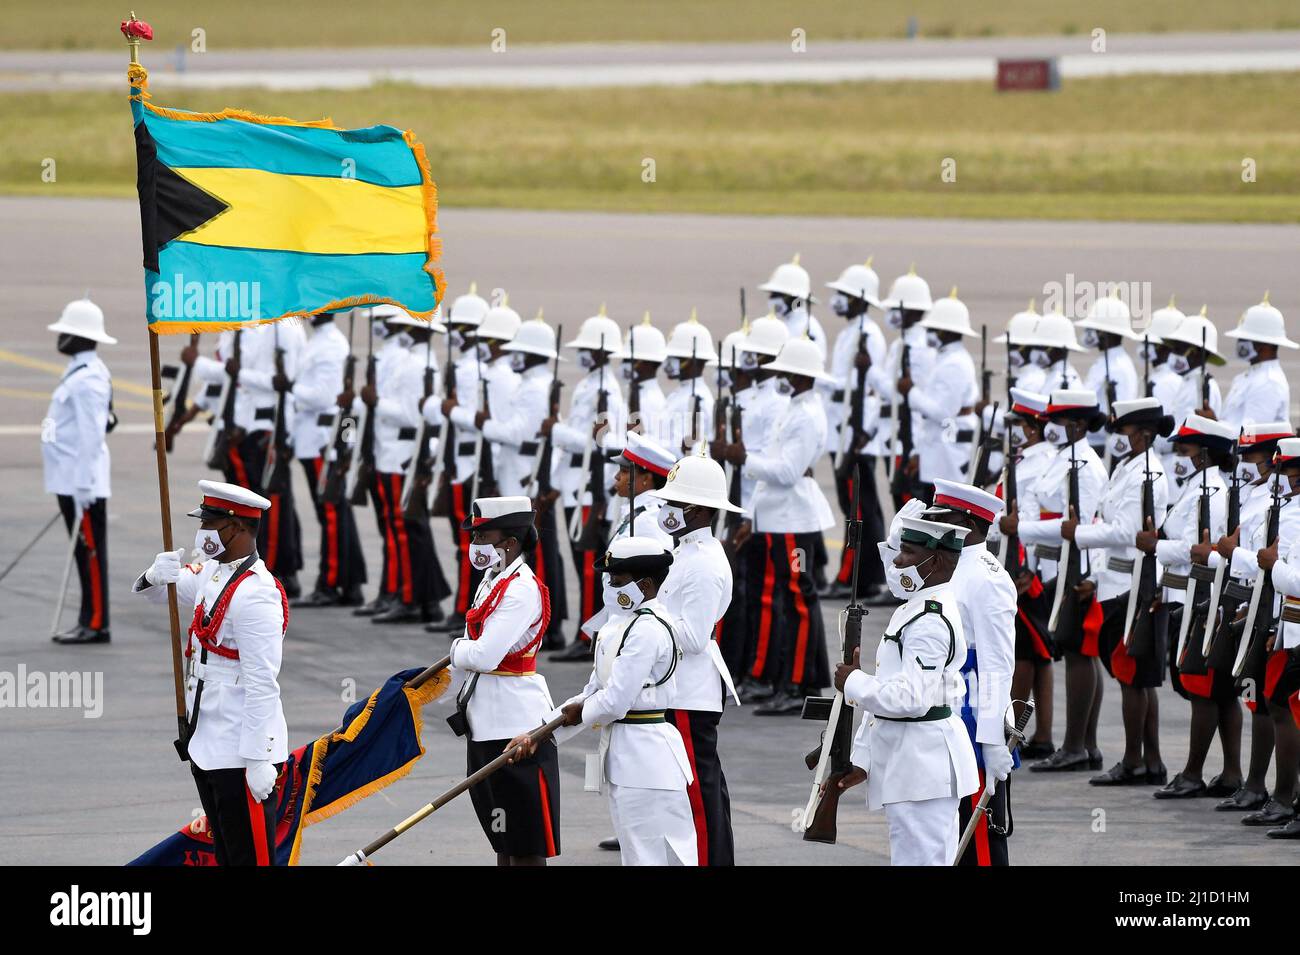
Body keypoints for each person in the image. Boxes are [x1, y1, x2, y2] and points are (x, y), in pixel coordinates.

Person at [512, 537, 697, 866]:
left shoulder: (648, 630)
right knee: (636, 852)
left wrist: (574, 715)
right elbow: (592, 690)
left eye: (619, 581)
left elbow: (613, 702)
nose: (610, 588)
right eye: (609, 580)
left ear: (647, 584)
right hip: (626, 753)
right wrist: (540, 732)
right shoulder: (621, 625)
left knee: (652, 855)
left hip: (648, 756)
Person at [134, 481, 287, 865]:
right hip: (206, 739)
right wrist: (156, 574)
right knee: (226, 853)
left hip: (239, 747)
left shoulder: (257, 594)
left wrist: (259, 757)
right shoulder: (212, 574)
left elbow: (262, 682)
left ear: (235, 528)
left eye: (211, 522)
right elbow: (161, 594)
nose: (202, 531)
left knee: (249, 858)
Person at [834, 515, 981, 866]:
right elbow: (892, 683)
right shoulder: (916, 607)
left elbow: (909, 699)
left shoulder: (931, 620)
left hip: (923, 767)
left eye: (909, 553)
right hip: (910, 763)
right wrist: (864, 758)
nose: (898, 560)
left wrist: (853, 682)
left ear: (939, 561)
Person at [714, 337, 835, 714]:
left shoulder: (807, 415)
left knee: (798, 601)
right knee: (785, 600)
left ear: (798, 376)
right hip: (778, 516)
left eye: (785, 371)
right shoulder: (794, 408)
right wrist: (752, 512)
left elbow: (785, 471)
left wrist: (742, 457)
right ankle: (785, 679)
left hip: (794, 520)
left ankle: (797, 685)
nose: (778, 376)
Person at [1068, 397, 1173, 785]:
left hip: (1134, 586)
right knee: (1134, 677)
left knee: (1134, 677)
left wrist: (1078, 535)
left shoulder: (1149, 475)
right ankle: (1152, 761)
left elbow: (1126, 532)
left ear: (1144, 435)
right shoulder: (1128, 468)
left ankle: (1135, 760)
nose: (1118, 440)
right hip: (1114, 582)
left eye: (1124, 432)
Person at [450, 496, 559, 865]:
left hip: (517, 724)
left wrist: (455, 649)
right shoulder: (492, 580)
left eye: (483, 537)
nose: (475, 546)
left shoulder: (520, 589)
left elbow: (484, 655)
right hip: (485, 722)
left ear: (509, 543)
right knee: (504, 839)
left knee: (526, 843)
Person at [648, 452, 745, 865]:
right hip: (677, 688)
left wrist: (646, 623)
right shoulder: (686, 552)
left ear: (701, 510)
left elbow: (691, 637)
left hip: (689, 691)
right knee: (688, 788)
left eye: (676, 503)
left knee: (698, 795)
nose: (666, 510)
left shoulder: (704, 563)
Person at [1005, 390, 1108, 772]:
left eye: (1059, 422)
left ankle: (1077, 746)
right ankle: (1081, 745)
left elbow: (1084, 525)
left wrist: (1024, 529)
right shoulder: (1066, 459)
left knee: (1080, 653)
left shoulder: (1085, 466)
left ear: (1078, 425)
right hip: (1053, 565)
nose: (1050, 429)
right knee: (1073, 652)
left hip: (1076, 567)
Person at [923, 480, 1018, 866]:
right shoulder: (947, 563)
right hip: (945, 707)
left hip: (975, 714)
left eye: (942, 517)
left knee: (977, 840)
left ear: (967, 523)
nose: (934, 524)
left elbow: (998, 664)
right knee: (948, 831)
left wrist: (993, 739)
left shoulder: (988, 577)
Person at [1148, 414, 1237, 799]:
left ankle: (1193, 772)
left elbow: (1202, 550)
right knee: (1214, 691)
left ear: (1203, 454)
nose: (1177, 457)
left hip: (1203, 600)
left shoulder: (1212, 494)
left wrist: (1157, 547)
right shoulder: (1193, 488)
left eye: (1183, 450)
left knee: (1204, 688)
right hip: (1184, 593)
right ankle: (1231, 773)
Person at [1207, 421, 1294, 813]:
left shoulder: (1288, 510)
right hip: (1266, 607)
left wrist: (1237, 554)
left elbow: (1270, 564)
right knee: (1260, 699)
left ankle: (1279, 794)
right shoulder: (1278, 503)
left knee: (1275, 703)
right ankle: (1264, 788)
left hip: (1282, 614)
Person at [188, 322, 305, 596]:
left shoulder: (284, 329)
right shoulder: (236, 329)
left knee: (271, 503)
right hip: (239, 426)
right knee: (247, 504)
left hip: (266, 426)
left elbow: (282, 382)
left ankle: (278, 569)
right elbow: (230, 380)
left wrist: (204, 366)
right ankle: (265, 564)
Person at [716, 315, 791, 696]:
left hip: (756, 507)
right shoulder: (756, 400)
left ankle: (758, 670)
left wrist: (736, 455)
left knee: (761, 596)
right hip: (741, 503)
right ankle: (743, 666)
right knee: (742, 593)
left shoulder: (774, 404)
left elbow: (764, 461)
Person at [362, 306, 450, 624]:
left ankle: (411, 597)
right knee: (400, 528)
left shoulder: (418, 364)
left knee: (405, 529)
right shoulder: (412, 360)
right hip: (391, 451)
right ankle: (407, 594)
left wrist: (376, 403)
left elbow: (413, 416)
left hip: (402, 455)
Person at [550, 310, 628, 659]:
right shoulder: (590, 385)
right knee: (581, 563)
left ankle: (588, 635)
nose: (581, 354)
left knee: (587, 565)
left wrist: (555, 430)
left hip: (588, 487)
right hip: (575, 484)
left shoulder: (605, 391)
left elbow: (596, 442)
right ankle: (586, 631)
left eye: (587, 349)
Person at [990, 388, 1059, 758]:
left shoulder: (1042, 461)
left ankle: (1018, 729)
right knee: (1037, 654)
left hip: (1027, 571)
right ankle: (1041, 734)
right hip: (1015, 562)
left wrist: (1025, 569)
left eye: (1018, 424)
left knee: (1027, 654)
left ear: (1033, 427)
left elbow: (1030, 520)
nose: (1013, 431)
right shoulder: (1020, 460)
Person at [43, 298, 116, 645]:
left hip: (80, 482)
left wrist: (85, 483)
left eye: (67, 333)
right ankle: (88, 618)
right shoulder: (80, 371)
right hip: (69, 478)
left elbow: (92, 434)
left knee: (90, 555)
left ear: (82, 338)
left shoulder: (89, 379)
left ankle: (97, 623)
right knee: (82, 555)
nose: (60, 339)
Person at [500, 313, 569, 649]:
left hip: (529, 482)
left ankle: (549, 626)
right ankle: (546, 624)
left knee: (540, 556)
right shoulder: (531, 385)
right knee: (539, 555)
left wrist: (480, 424)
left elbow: (518, 432)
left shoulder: (532, 389)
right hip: (527, 478)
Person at [424, 285, 490, 634]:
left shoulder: (476, 370)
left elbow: (478, 420)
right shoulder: (462, 367)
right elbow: (435, 410)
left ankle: (466, 607)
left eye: (457, 330)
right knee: (460, 543)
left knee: (471, 543)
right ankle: (461, 606)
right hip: (455, 464)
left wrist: (453, 411)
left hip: (471, 467)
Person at [290, 310, 367, 608]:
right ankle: (348, 582)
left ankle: (332, 581)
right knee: (332, 515)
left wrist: (289, 388)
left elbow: (324, 396)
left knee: (332, 514)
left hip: (324, 439)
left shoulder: (330, 343)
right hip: (314, 438)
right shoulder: (321, 341)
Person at [824, 261, 890, 602]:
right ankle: (865, 576)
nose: (838, 300)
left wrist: (860, 436)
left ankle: (855, 577)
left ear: (861, 299)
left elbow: (870, 390)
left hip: (856, 435)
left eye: (845, 295)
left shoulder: (869, 335)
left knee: (859, 511)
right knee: (856, 507)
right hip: (843, 431)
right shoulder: (852, 331)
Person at [902, 289, 980, 494]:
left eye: (933, 329)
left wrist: (911, 392)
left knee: (943, 510)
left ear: (946, 332)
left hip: (947, 452)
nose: (928, 334)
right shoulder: (945, 358)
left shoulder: (954, 364)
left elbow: (943, 412)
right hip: (937, 448)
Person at [1261, 442, 1300, 839]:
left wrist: (1274, 567)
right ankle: (1287, 797)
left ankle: (1288, 797)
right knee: (1279, 703)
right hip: (1292, 626)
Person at [880, 266, 936, 510]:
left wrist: (869, 371)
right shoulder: (902, 343)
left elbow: (913, 399)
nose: (892, 314)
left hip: (911, 439)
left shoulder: (920, 348)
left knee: (909, 507)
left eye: (897, 308)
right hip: (896, 436)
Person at [1074, 293, 1140, 465]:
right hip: (1092, 443)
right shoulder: (1105, 361)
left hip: (1105, 449)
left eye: (1094, 329)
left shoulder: (1118, 367)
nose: (1090, 334)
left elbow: (1120, 415)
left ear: (1105, 333)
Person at [1219, 294, 1294, 429]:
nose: (1240, 343)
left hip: (1244, 450)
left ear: (1264, 344)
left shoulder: (1268, 382)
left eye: (1245, 338)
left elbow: (1250, 437)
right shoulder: (1246, 377)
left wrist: (1212, 431)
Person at [661, 312, 716, 456]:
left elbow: (685, 452)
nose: (669, 362)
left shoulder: (698, 399)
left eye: (676, 357)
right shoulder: (679, 393)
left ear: (693, 361)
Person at [759, 255, 827, 357]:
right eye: (771, 294)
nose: (772, 299)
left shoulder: (806, 326)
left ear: (794, 298)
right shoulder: (791, 323)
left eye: (777, 294)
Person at [617, 313, 669, 445]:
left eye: (629, 360)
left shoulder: (651, 401)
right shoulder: (633, 393)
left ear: (647, 363)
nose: (624, 364)